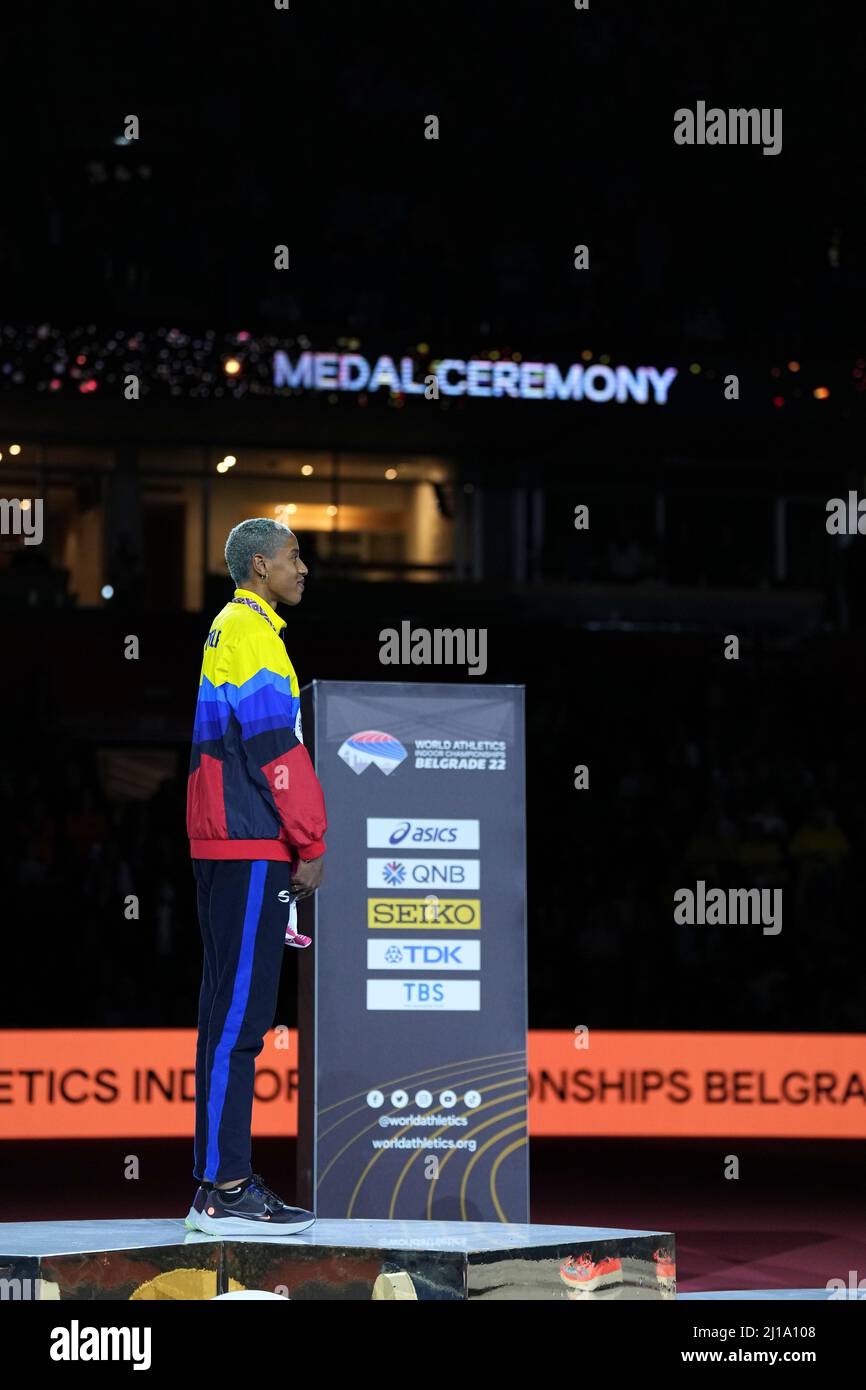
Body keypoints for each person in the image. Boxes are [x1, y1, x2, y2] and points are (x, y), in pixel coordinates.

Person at [184, 518, 327, 1235]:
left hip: (225, 845)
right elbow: (276, 747)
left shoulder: (230, 630)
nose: (305, 569)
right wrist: (312, 839)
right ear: (262, 565)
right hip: (248, 846)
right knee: (239, 1025)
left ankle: (220, 1180)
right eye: (297, 558)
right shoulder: (251, 635)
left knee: (225, 1021)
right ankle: (225, 1189)